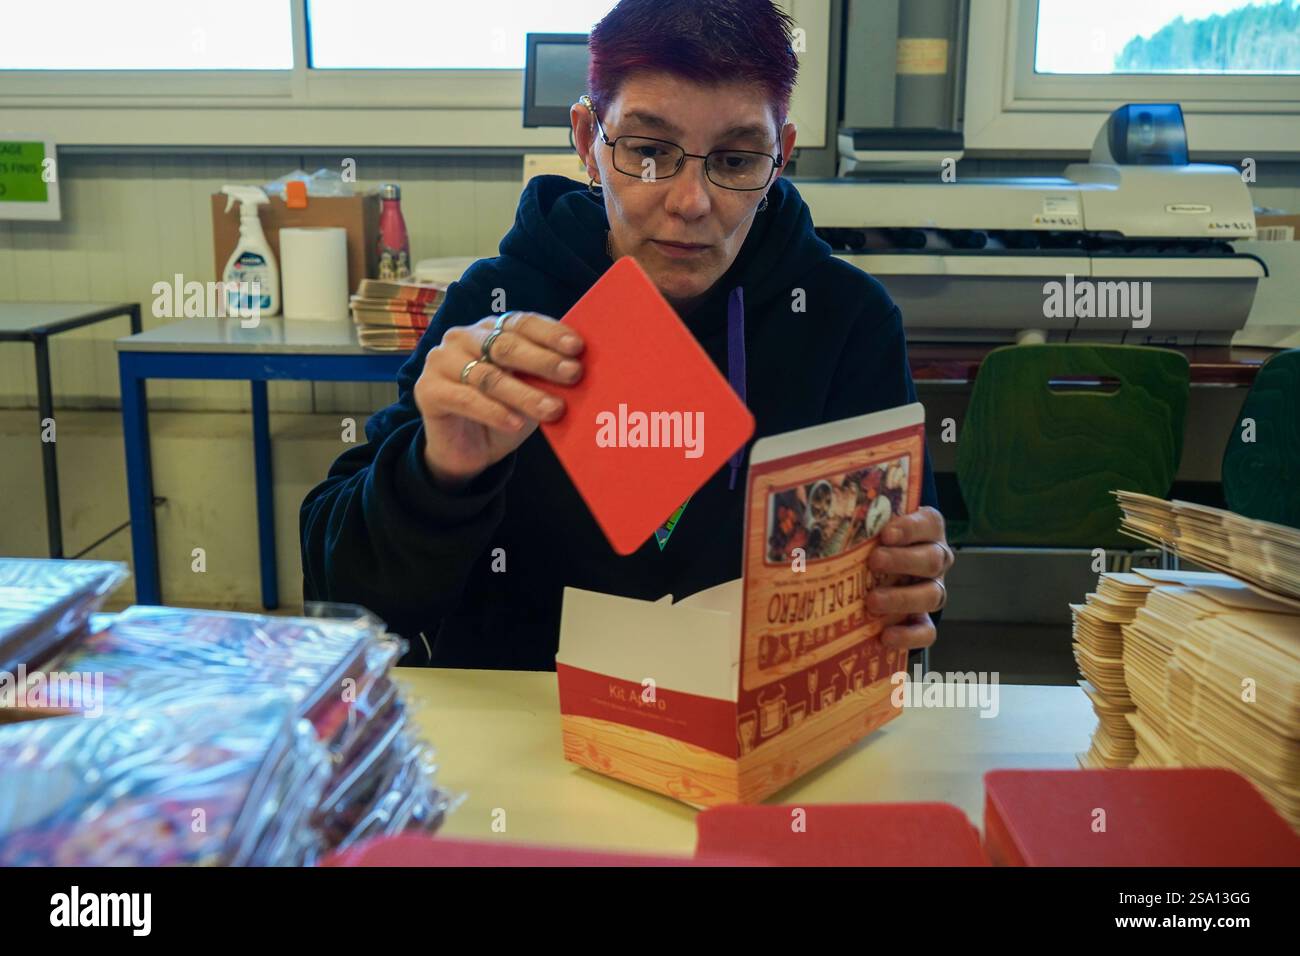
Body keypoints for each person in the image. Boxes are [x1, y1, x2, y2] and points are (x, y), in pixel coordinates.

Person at [300, 0, 954, 669]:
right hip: (527, 733)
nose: (690, 202)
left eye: (734, 160)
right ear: (588, 140)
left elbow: (903, 616)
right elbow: (346, 601)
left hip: (749, 743)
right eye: (647, 152)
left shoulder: (846, 321)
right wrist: (437, 474)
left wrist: (909, 581)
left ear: (779, 156)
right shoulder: (497, 310)